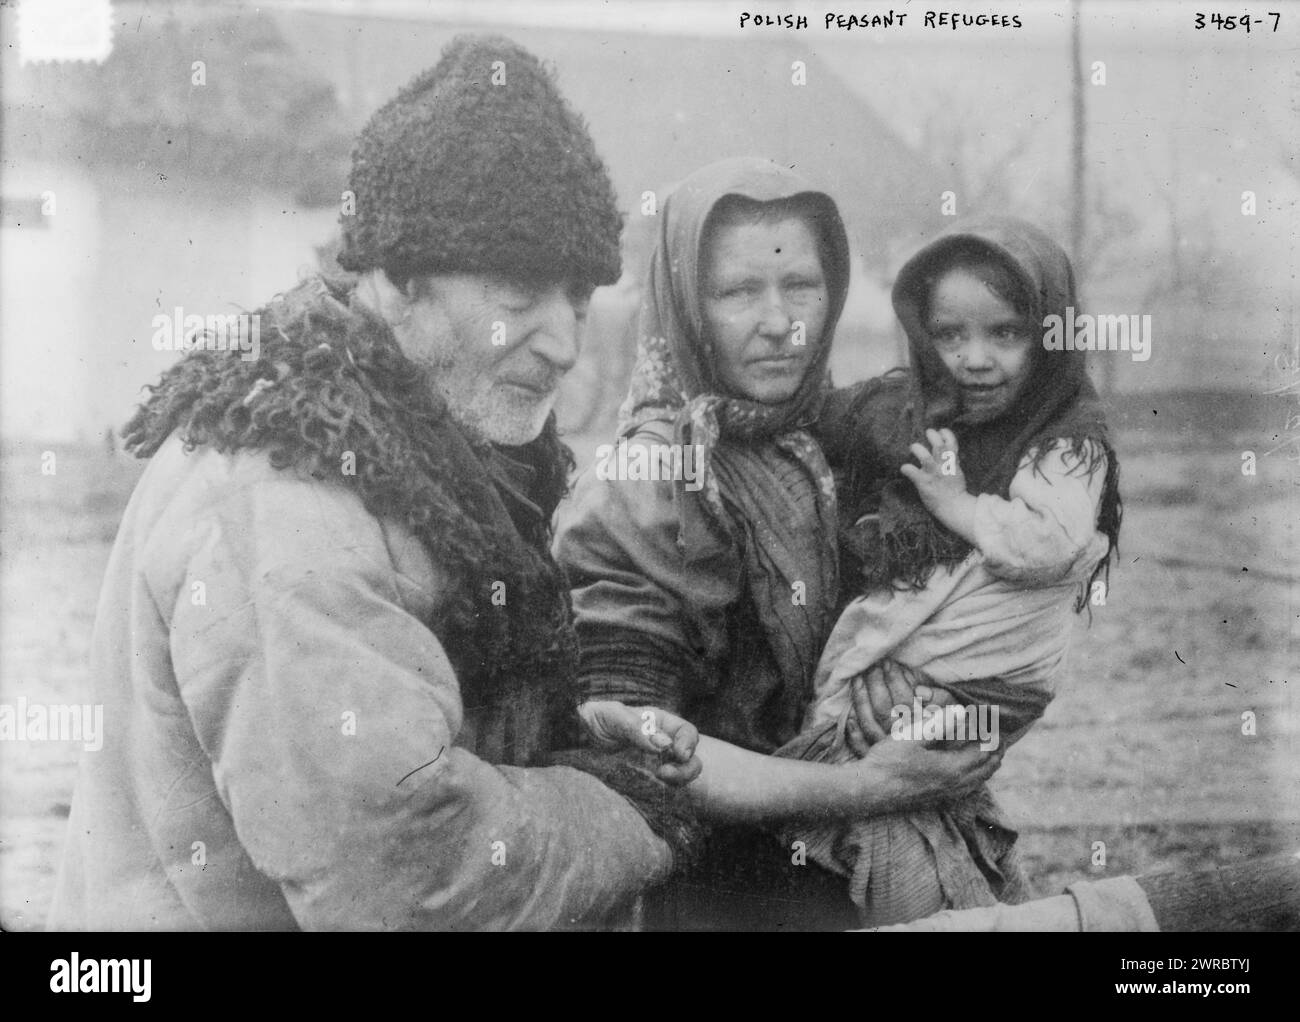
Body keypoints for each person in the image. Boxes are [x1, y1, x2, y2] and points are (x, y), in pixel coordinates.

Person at [46, 35, 704, 932]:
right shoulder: (284, 504)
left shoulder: (401, 450)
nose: (563, 344)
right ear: (398, 281)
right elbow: (408, 881)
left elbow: (391, 723)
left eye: (580, 303)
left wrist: (564, 744)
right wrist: (618, 808)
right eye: (519, 292)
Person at [556, 158, 1005, 930]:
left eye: (801, 285)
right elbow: (637, 756)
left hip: (883, 865)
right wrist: (874, 787)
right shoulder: (648, 485)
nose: (779, 322)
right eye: (735, 291)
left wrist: (925, 702)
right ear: (683, 305)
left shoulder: (861, 442)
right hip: (721, 894)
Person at [778, 216, 1123, 926]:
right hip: (909, 683)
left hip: (983, 681)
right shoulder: (908, 412)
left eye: (1007, 333)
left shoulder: (1065, 439)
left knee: (895, 797)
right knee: (899, 796)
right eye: (950, 335)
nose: (975, 359)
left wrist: (959, 503)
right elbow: (823, 421)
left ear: (1051, 336)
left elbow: (1046, 547)